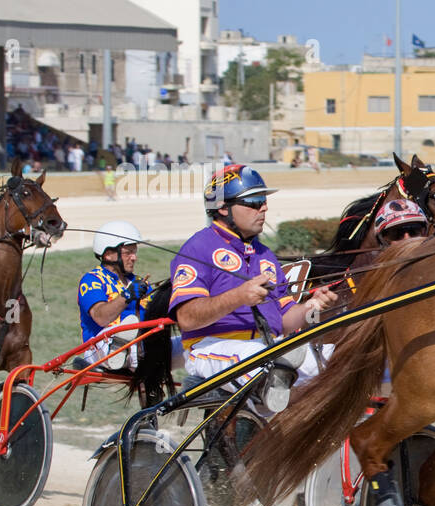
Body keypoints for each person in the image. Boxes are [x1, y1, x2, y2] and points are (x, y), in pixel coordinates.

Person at [169, 164, 337, 388]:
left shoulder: (265, 255)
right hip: (211, 348)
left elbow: (285, 321)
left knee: (340, 356)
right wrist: (239, 296)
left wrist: (312, 308)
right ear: (222, 207)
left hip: (267, 345)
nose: (264, 207)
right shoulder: (198, 248)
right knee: (263, 359)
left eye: (264, 200)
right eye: (254, 201)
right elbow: (187, 318)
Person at [78, 222, 152, 368]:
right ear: (108, 254)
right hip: (99, 348)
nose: (134, 257)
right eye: (128, 253)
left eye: (134, 252)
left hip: (142, 344)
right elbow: (101, 317)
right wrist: (127, 295)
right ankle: (121, 346)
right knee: (126, 342)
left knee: (189, 345)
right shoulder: (92, 280)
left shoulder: (138, 282)